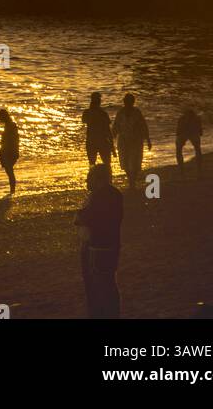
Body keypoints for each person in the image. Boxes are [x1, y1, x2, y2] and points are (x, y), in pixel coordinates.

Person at [75, 163, 123, 318]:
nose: (87, 181)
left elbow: (82, 218)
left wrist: (80, 216)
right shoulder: (116, 194)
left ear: (97, 178)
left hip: (97, 246)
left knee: (98, 285)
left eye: (90, 178)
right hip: (113, 244)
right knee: (109, 282)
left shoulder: (96, 197)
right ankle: (113, 313)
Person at [112, 92, 151, 188]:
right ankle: (131, 179)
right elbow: (115, 126)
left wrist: (148, 140)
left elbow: (143, 126)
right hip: (123, 140)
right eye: (126, 101)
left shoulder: (137, 112)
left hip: (136, 140)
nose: (127, 103)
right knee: (124, 162)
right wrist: (111, 139)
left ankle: (132, 181)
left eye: (129, 101)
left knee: (135, 162)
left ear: (132, 102)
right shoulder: (120, 112)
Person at [82, 91, 115, 168]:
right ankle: (107, 177)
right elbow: (108, 130)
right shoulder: (102, 113)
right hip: (101, 141)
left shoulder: (88, 112)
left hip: (92, 141)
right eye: (99, 99)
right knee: (105, 163)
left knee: (92, 164)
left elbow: (84, 120)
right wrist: (112, 146)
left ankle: (93, 178)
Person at [0, 108, 19, 194]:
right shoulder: (9, 125)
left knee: (9, 171)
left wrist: (14, 151)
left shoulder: (11, 125)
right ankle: (12, 190)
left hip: (10, 151)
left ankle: (12, 190)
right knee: (9, 171)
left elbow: (13, 139)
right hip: (8, 151)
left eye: (0, 117)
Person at [176, 107, 203, 177]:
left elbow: (178, 130)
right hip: (193, 133)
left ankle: (181, 169)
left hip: (184, 133)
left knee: (179, 150)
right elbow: (200, 131)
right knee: (197, 149)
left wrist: (178, 134)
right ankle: (199, 168)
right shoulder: (196, 118)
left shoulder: (182, 118)